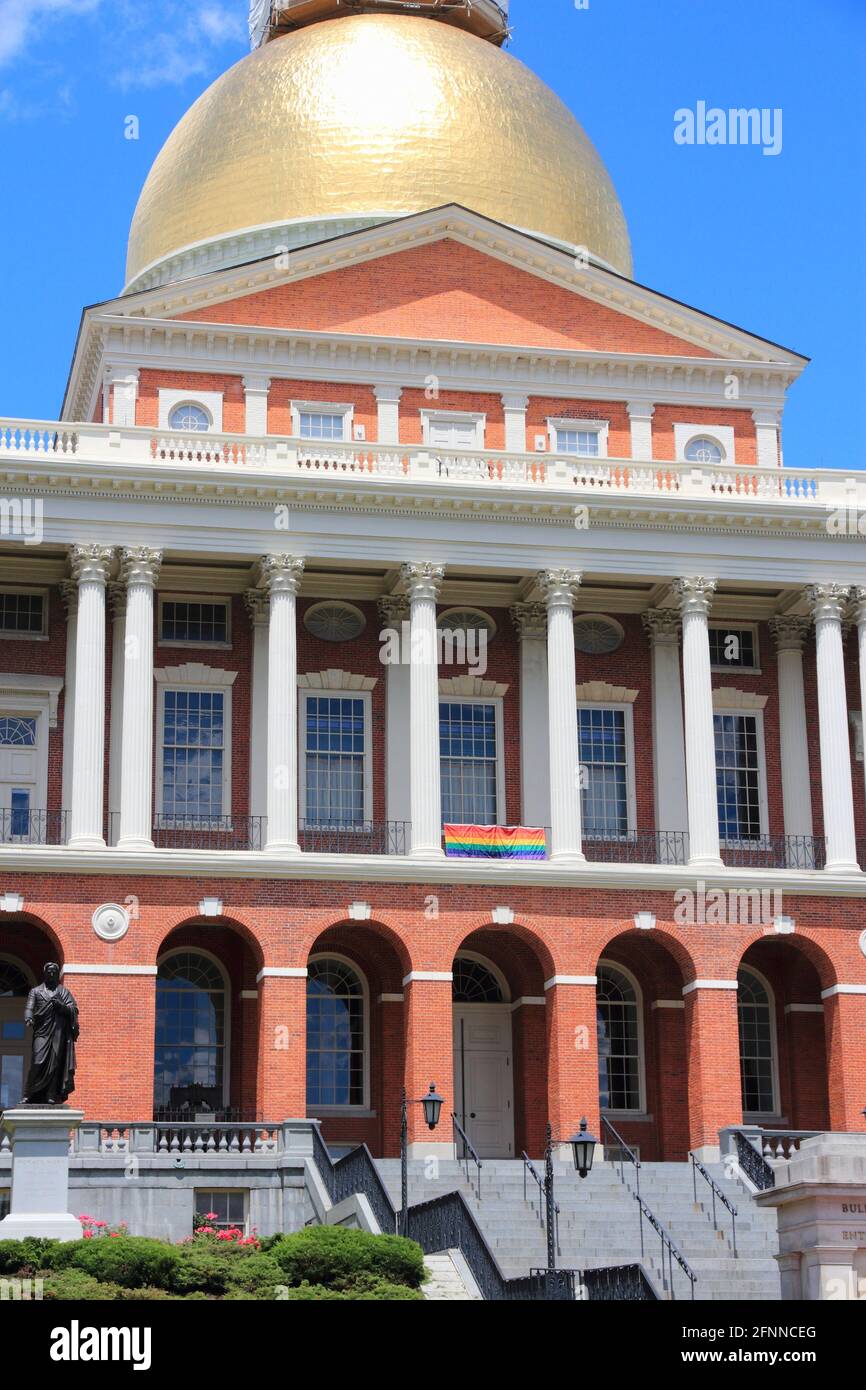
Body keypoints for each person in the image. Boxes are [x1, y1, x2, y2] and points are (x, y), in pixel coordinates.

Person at [20, 962, 79, 1105]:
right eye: (49, 971)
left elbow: (73, 1010)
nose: (52, 974)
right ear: (45, 973)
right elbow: (29, 1007)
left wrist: (61, 1006)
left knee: (55, 1064)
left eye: (54, 972)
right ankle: (29, 1093)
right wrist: (28, 1017)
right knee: (38, 1062)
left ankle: (51, 1094)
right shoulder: (36, 991)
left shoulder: (63, 992)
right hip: (42, 1031)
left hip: (58, 1032)